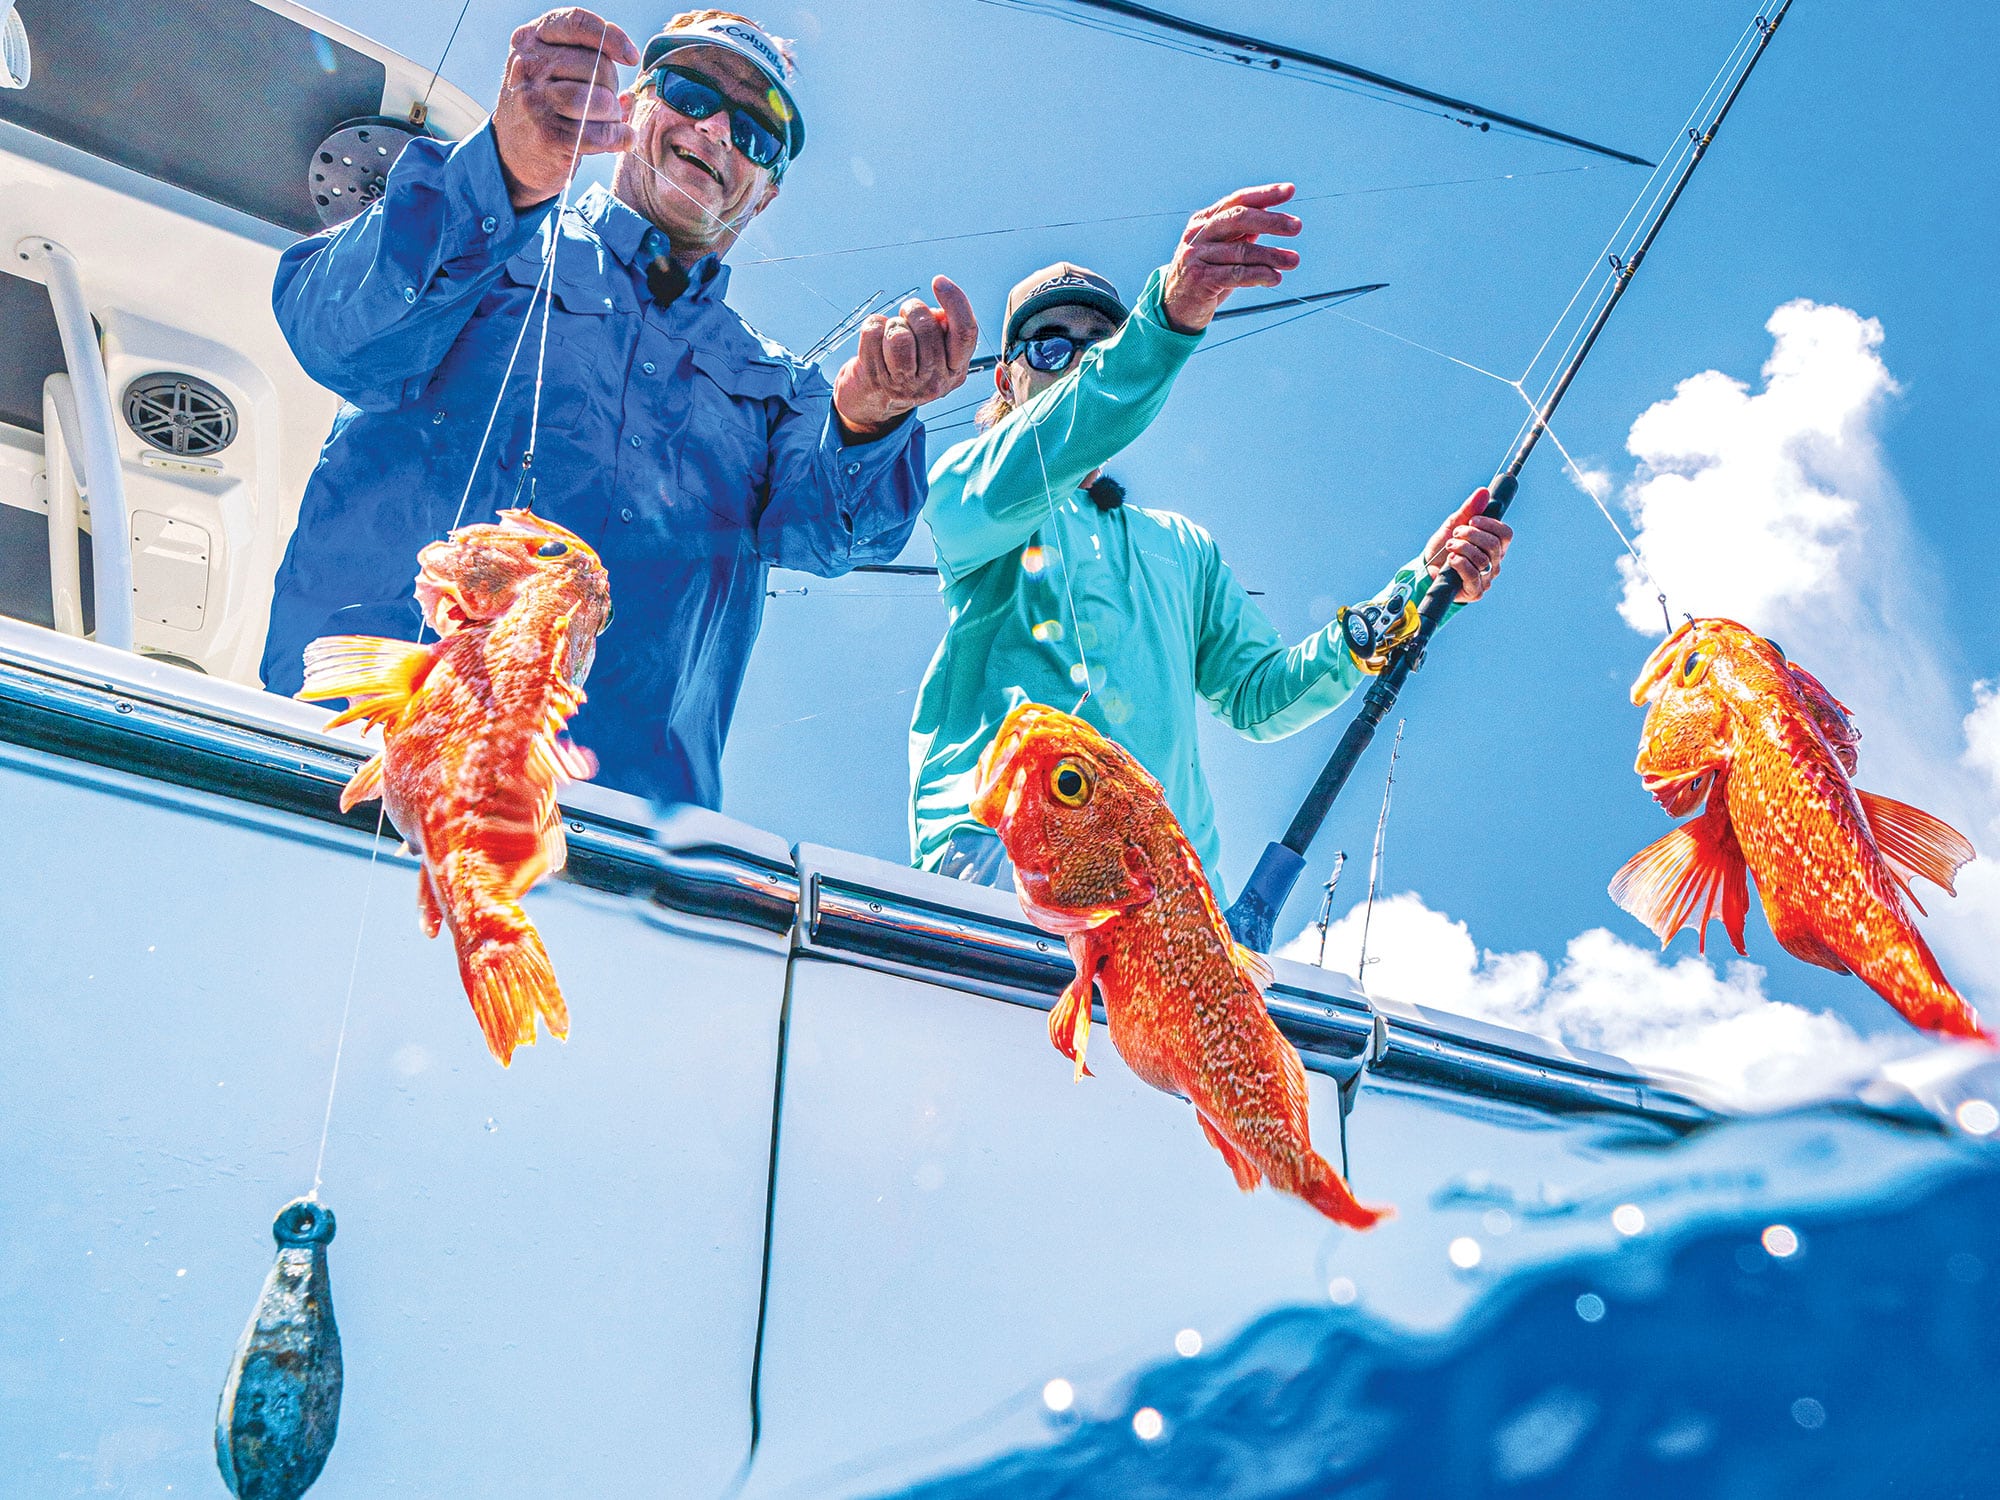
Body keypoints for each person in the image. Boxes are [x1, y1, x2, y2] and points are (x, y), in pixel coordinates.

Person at [261, 8, 975, 811]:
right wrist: (502, 168)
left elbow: (834, 535)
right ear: (635, 104)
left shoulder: (786, 393)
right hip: (356, 765)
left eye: (754, 134)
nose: (716, 131)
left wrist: (872, 419)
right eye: (692, 94)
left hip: (612, 838)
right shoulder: (489, 231)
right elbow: (331, 333)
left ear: (765, 194)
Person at [909, 184, 1512, 895]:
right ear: (1006, 380)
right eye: (1049, 347)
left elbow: (1259, 698)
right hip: (1003, 858)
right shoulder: (967, 490)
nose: (1076, 365)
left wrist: (1416, 590)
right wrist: (1167, 319)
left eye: (1100, 348)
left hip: (1167, 895)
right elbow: (1076, 424)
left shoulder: (1183, 547)